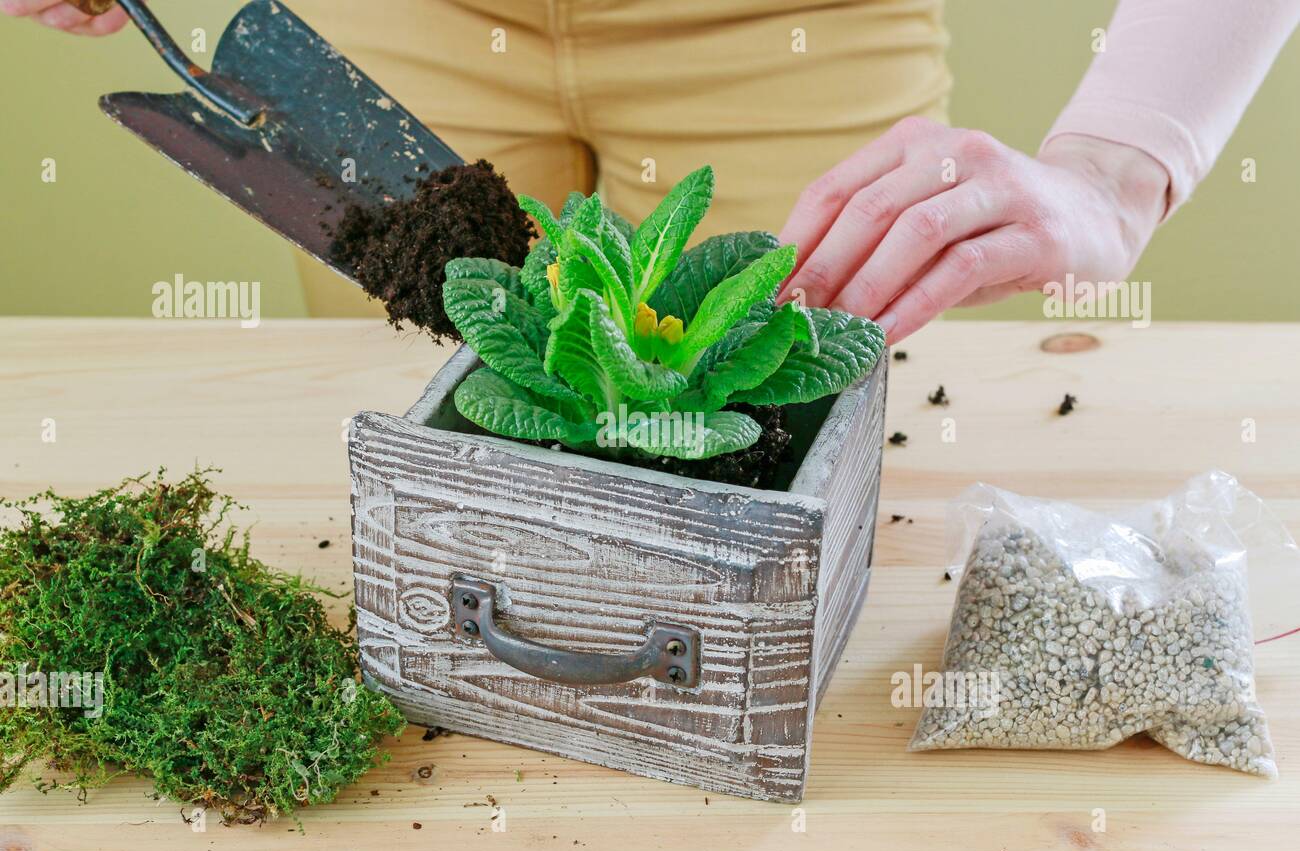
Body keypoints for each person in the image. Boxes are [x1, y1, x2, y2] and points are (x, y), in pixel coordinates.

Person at [7, 0, 1298, 343]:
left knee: (771, 462)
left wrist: (1122, 163)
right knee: (453, 454)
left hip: (787, 31)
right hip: (396, 32)